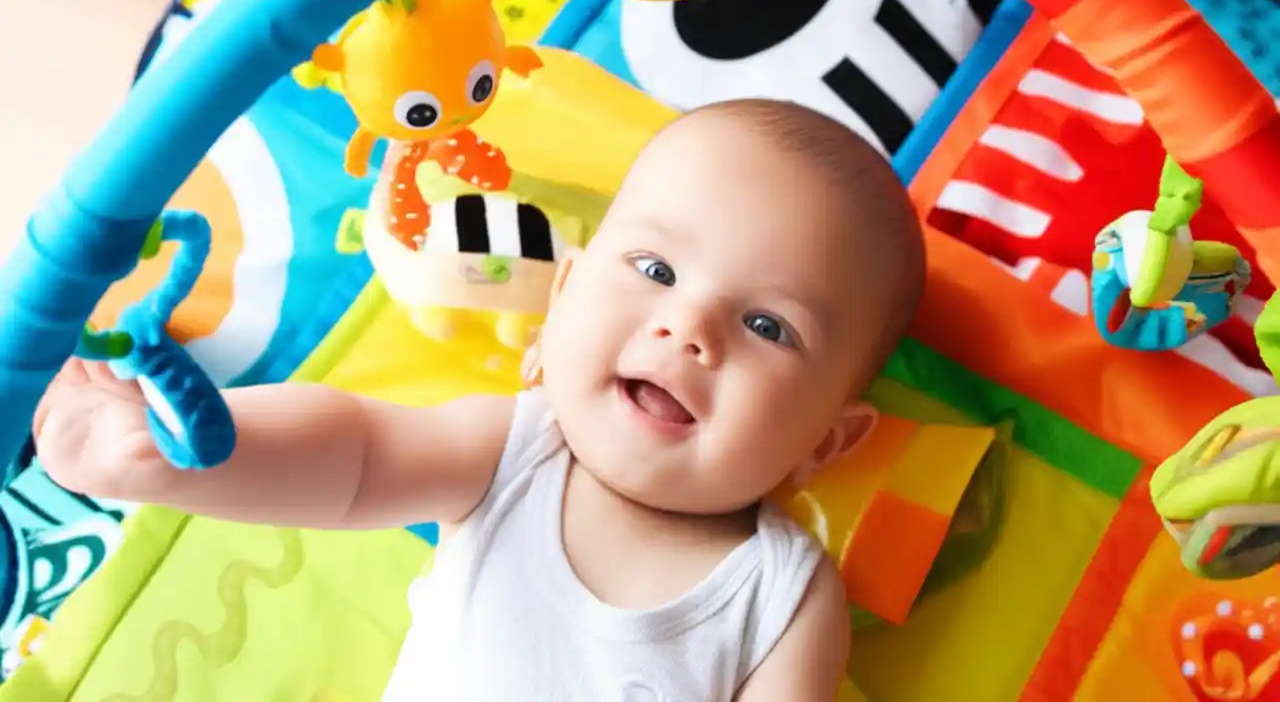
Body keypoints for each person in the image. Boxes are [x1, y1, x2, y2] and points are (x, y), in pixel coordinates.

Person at [34, 98, 926, 701]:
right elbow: (354, 457)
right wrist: (188, 456)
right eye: (654, 271)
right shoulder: (517, 452)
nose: (689, 329)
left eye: (769, 327)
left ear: (826, 443)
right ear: (562, 299)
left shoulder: (780, 595)